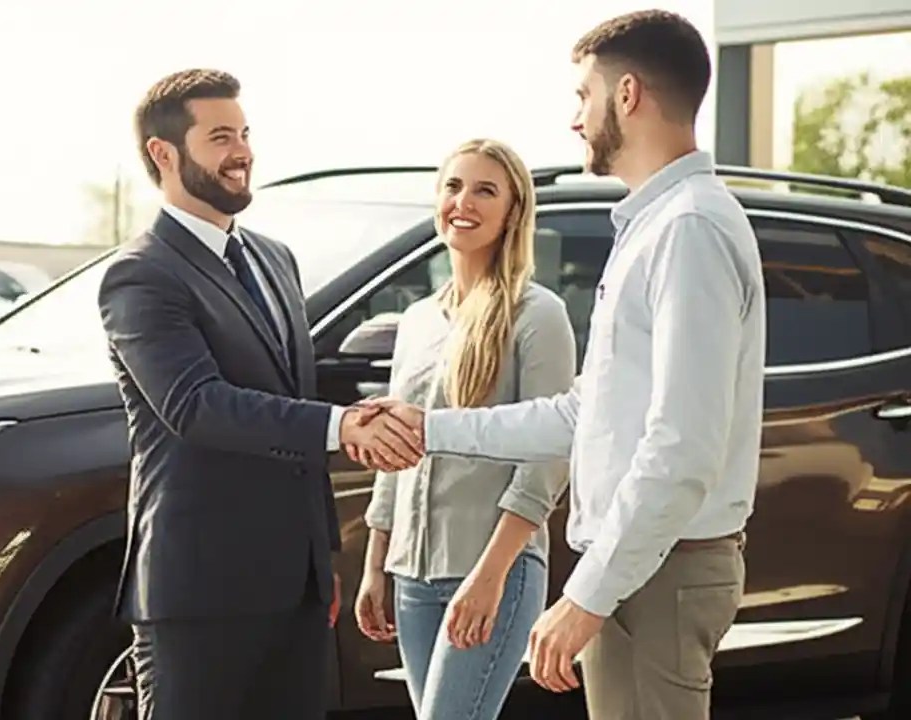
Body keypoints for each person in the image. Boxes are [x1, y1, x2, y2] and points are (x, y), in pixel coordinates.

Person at [356, 10, 766, 720]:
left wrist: (587, 596)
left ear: (628, 94)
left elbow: (683, 448)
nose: (576, 117)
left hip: (660, 572)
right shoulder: (655, 227)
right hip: (643, 567)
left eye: (584, 95)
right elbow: (583, 415)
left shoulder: (689, 229)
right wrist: (431, 428)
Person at [96, 68, 422, 720]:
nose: (242, 151)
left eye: (244, 133)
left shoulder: (276, 259)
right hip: (199, 597)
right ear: (165, 154)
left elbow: (290, 399)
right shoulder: (140, 275)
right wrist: (343, 426)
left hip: (295, 593)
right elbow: (198, 406)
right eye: (220, 137)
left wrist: (318, 559)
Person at [351, 138, 577, 720]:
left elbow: (548, 457)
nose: (464, 202)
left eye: (485, 190)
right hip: (412, 574)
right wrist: (377, 564)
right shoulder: (418, 320)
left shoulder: (538, 315)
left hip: (493, 570)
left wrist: (489, 576)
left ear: (512, 212)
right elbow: (395, 451)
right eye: (454, 186)